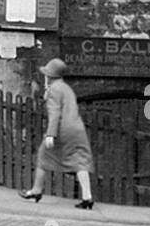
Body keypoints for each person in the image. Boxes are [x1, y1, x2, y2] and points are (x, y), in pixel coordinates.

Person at [20, 59, 95, 209]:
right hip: (77, 129)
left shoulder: (54, 89)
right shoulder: (67, 88)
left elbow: (55, 113)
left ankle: (36, 191)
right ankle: (87, 197)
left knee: (43, 156)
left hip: (63, 130)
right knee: (80, 161)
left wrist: (50, 134)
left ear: (49, 76)